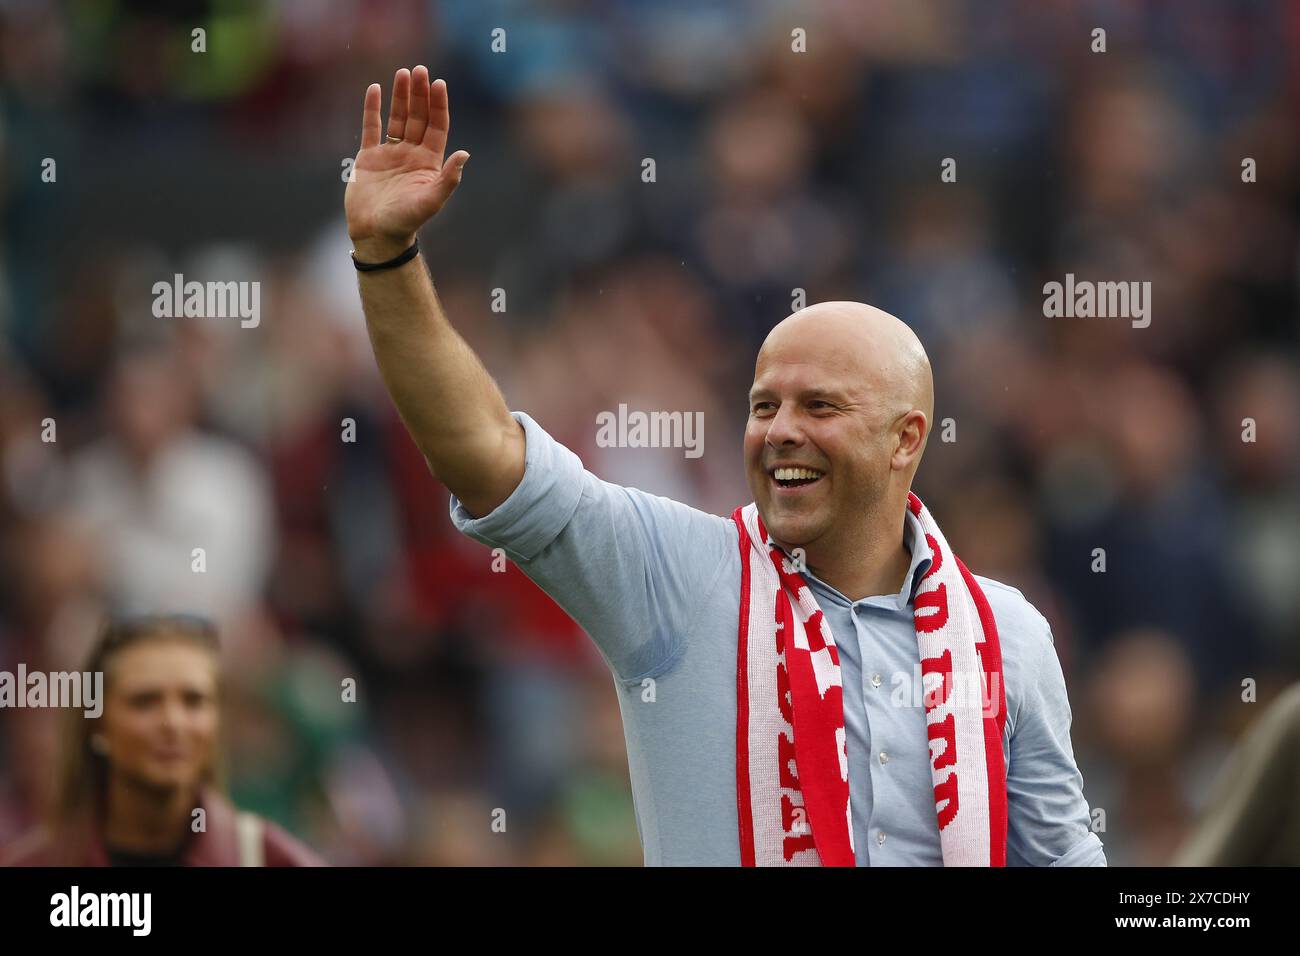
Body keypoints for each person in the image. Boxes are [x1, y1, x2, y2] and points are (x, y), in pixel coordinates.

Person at [344, 65, 1106, 866]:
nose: (778, 431)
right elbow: (484, 452)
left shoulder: (1008, 637)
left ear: (906, 439)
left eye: (819, 407)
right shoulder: (678, 577)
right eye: (763, 405)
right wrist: (386, 257)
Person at [1, 614, 322, 866]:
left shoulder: (273, 861)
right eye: (145, 701)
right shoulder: (32, 863)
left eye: (193, 701)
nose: (173, 723)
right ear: (97, 724)